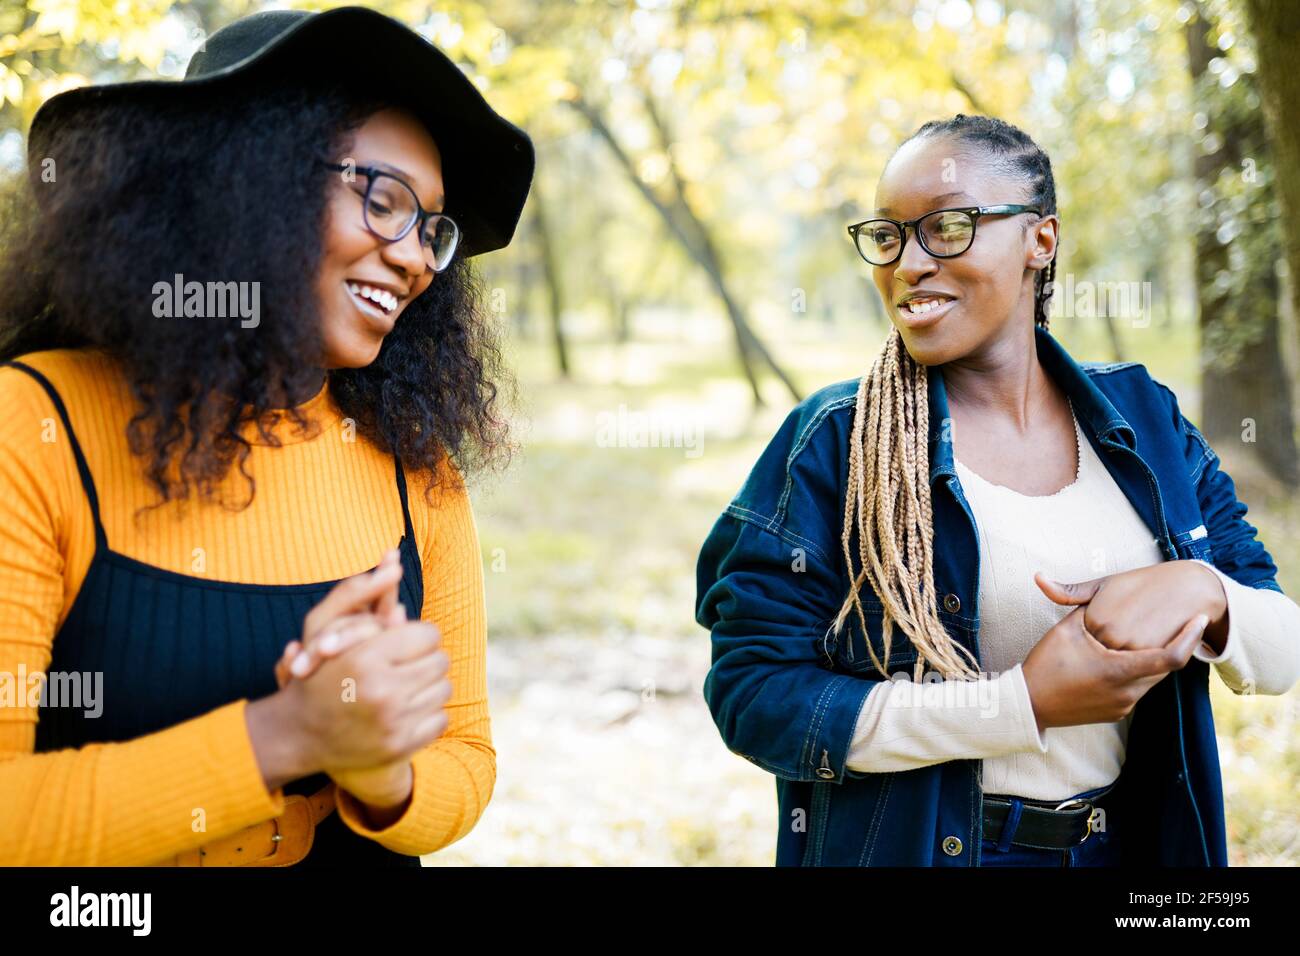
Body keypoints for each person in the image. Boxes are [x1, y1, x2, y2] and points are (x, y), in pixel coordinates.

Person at [0, 6, 533, 866]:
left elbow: (467, 765)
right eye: (384, 199)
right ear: (249, 185)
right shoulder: (33, 427)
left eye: (432, 229)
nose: (416, 259)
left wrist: (382, 775)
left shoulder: (414, 471)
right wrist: (283, 735)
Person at [695, 114, 1300, 867]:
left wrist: (1206, 594)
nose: (909, 262)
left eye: (948, 228)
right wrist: (1020, 706)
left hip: (1133, 848)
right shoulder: (836, 444)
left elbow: (1281, 651)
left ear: (1039, 241)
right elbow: (755, 697)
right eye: (890, 235)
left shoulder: (1145, 421)